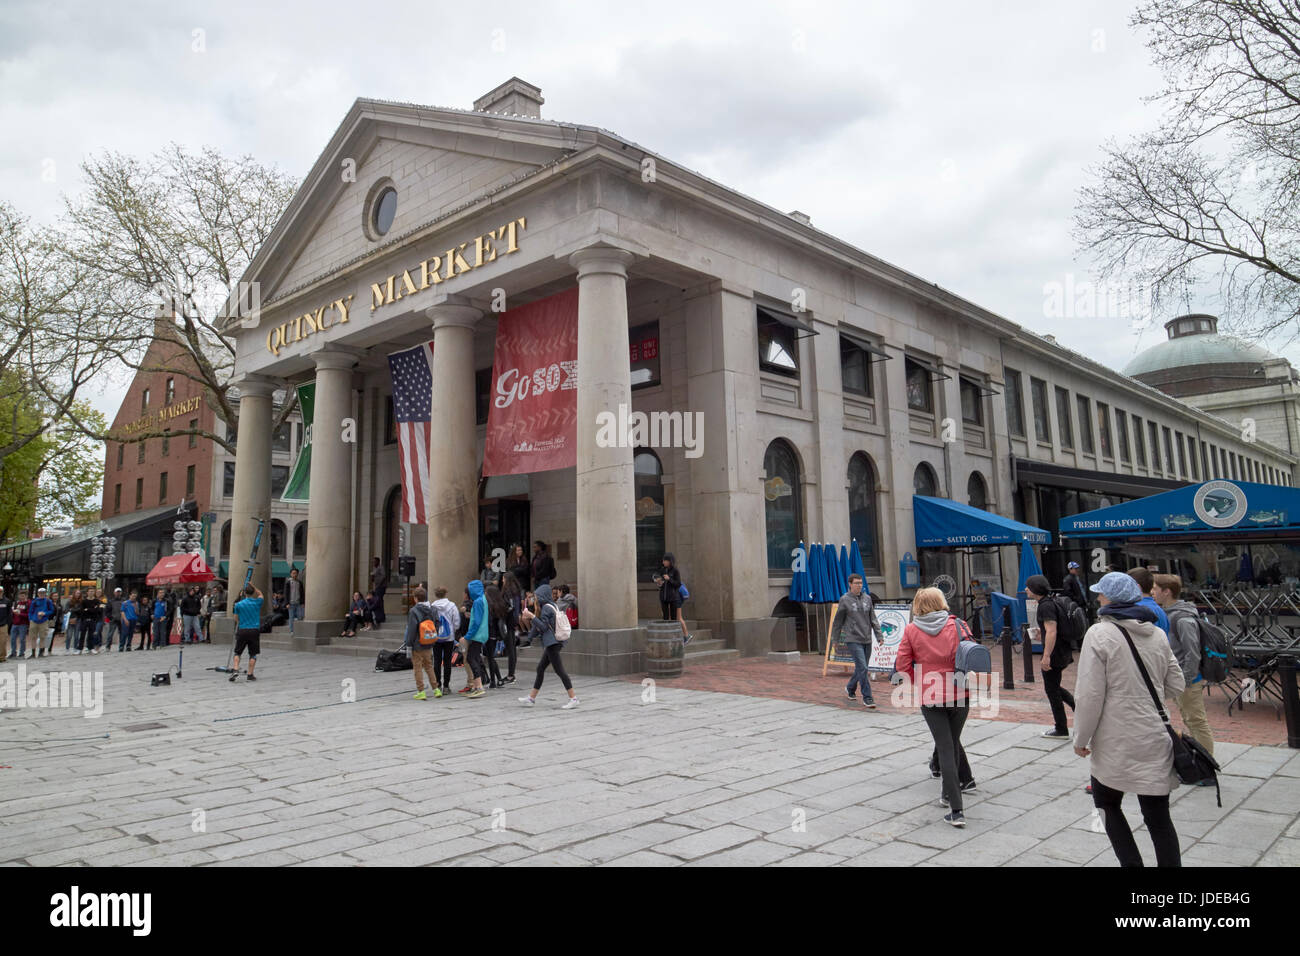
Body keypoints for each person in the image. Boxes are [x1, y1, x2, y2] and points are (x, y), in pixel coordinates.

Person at [1074, 571, 1184, 868]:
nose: (1098, 597)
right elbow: (1177, 684)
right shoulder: (1157, 634)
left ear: (1110, 599)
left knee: (1106, 803)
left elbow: (1089, 695)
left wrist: (1081, 738)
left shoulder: (1099, 633)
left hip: (1115, 738)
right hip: (1153, 734)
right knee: (1158, 817)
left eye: (1101, 593)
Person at [895, 587, 970, 828]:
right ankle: (949, 795)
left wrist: (916, 681)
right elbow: (973, 654)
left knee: (945, 747)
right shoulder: (958, 625)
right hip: (960, 692)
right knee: (952, 744)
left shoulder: (911, 630)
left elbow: (902, 664)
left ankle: (956, 809)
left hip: (930, 694)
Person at [1153, 573, 1216, 760]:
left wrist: (1186, 680)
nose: (1152, 592)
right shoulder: (1169, 614)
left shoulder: (1182, 618)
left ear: (1167, 592)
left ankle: (1206, 764)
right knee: (1190, 719)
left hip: (1188, 679)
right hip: (1180, 678)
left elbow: (1192, 652)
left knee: (1196, 721)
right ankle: (1201, 760)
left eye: (1155, 589)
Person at [1025, 575, 1076, 740]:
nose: (1026, 589)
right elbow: (1052, 630)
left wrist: (1046, 656)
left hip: (1055, 653)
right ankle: (1078, 709)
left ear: (1035, 589)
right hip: (1061, 650)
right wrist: (1042, 634)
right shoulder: (1050, 602)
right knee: (1053, 687)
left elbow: (1052, 630)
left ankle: (1061, 728)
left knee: (1052, 690)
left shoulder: (1045, 606)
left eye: (1028, 587)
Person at [518, 583, 579, 708]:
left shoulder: (546, 608)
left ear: (542, 596)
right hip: (553, 643)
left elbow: (543, 627)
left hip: (553, 644)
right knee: (540, 668)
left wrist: (532, 616)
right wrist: (529, 639)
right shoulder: (551, 605)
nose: (535, 599)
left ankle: (573, 698)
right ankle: (531, 698)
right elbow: (538, 626)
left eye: (536, 596)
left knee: (560, 671)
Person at [835, 573, 881, 709]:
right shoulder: (844, 599)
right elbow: (838, 621)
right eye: (856, 583)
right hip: (853, 638)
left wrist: (879, 636)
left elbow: (873, 619)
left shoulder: (868, 598)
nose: (859, 585)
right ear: (850, 584)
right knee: (863, 668)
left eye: (861, 583)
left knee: (861, 668)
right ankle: (868, 697)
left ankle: (850, 687)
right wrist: (835, 639)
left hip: (867, 638)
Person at [403, 586, 443, 700]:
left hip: (417, 643)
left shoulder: (414, 611)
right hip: (429, 642)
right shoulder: (433, 609)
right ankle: (436, 689)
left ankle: (421, 691)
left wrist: (408, 644)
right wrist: (433, 635)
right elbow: (437, 623)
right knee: (429, 666)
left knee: (418, 667)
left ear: (416, 598)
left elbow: (411, 629)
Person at [653, 553, 690, 643]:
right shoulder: (662, 570)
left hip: (673, 598)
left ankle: (675, 638)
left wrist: (669, 579)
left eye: (665, 560)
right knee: (665, 618)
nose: (663, 562)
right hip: (663, 597)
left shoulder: (675, 571)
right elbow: (658, 582)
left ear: (670, 561)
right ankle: (667, 638)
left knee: (674, 619)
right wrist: (658, 582)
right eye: (663, 560)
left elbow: (678, 584)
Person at [230, 584, 264, 682]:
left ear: (244, 593)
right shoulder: (258, 602)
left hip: (243, 629)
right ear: (253, 593)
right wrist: (253, 586)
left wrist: (241, 622)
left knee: (238, 652)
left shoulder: (238, 604)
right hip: (254, 630)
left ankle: (235, 668)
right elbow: (261, 594)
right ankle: (250, 674)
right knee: (253, 653)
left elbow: (236, 618)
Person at [431, 586, 461, 694]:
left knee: (437, 661)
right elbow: (456, 622)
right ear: (445, 594)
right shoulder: (452, 606)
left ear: (436, 595)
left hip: (436, 637)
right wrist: (453, 629)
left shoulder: (432, 606)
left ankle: (438, 685)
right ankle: (446, 686)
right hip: (449, 638)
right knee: (447, 661)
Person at [462, 579, 489, 698]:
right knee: (475, 658)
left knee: (471, 658)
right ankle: (477, 686)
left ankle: (478, 686)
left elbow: (476, 622)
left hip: (477, 634)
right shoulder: (483, 599)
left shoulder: (477, 602)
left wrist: (467, 636)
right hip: (482, 633)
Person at [1126, 567, 1170, 635]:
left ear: (1137, 587)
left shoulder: (1135, 610)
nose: (1124, 589)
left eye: (1127, 586)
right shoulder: (1159, 609)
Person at [500, 572, 523, 683]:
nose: (502, 581)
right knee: (512, 647)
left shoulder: (508, 592)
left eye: (503, 579)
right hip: (513, 620)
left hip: (508, 621)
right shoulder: (516, 591)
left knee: (510, 648)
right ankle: (511, 673)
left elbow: (509, 607)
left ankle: (510, 675)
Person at [29, 587, 55, 658]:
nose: (42, 594)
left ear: (45, 593)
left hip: (43, 621)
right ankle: (33, 653)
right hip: (34, 620)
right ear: (38, 593)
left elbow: (52, 610)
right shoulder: (34, 601)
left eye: (43, 593)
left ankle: (41, 652)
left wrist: (45, 613)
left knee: (42, 637)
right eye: (40, 593)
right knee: (33, 637)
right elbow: (30, 611)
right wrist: (31, 619)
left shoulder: (48, 601)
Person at [8, 590, 28, 661]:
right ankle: (13, 652)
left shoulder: (28, 603)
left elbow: (28, 614)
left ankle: (22, 653)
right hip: (15, 624)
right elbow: (12, 612)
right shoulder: (16, 603)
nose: (21, 597)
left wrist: (20, 614)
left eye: (23, 596)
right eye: (20, 596)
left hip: (23, 624)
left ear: (26, 596)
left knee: (22, 639)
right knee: (12, 639)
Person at [104, 588, 124, 653]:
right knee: (110, 634)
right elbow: (107, 611)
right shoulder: (110, 601)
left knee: (122, 634)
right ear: (114, 593)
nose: (118, 593)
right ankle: (108, 646)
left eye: (119, 592)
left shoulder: (123, 601)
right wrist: (110, 617)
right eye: (117, 592)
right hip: (113, 619)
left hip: (121, 619)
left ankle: (121, 646)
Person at [286, 567, 304, 634]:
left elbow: (302, 593)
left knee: (300, 617)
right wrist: (287, 603)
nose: (294, 574)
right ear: (291, 574)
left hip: (298, 603)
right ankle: (292, 631)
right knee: (291, 617)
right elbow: (286, 593)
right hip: (291, 603)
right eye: (293, 573)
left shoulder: (300, 583)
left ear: (298, 574)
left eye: (296, 573)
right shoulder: (288, 582)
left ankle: (299, 630)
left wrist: (302, 602)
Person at [370, 557, 387, 625]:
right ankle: (379, 616)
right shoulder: (374, 569)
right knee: (378, 601)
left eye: (375, 561)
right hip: (377, 587)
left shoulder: (381, 567)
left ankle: (381, 617)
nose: (373, 563)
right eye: (373, 562)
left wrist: (379, 584)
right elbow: (373, 579)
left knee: (379, 601)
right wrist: (372, 577)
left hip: (381, 587)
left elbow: (383, 576)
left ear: (378, 562)